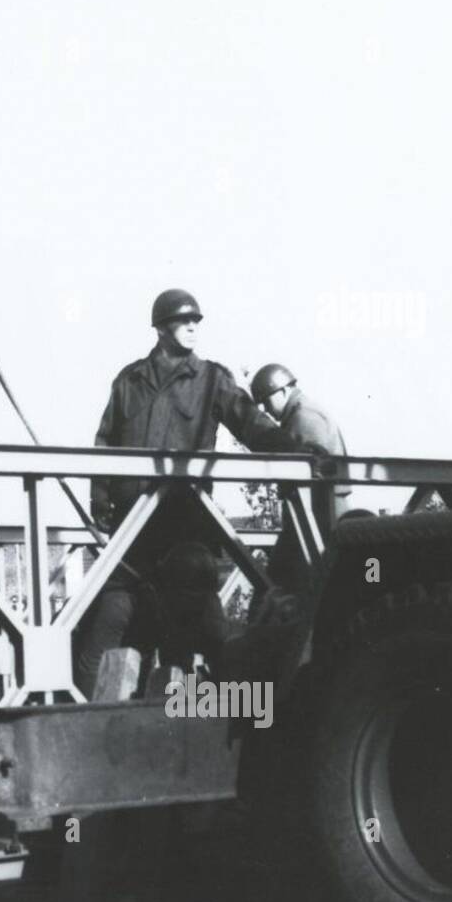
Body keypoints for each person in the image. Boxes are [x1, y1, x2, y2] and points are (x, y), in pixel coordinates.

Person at [77, 289, 311, 695]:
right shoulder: (129, 381)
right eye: (184, 321)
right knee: (104, 628)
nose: (192, 327)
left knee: (189, 635)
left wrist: (294, 450)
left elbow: (249, 422)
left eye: (196, 321)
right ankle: (73, 723)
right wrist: (99, 502)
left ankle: (222, 719)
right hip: (131, 535)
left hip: (184, 531)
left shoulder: (211, 380)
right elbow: (105, 442)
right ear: (161, 328)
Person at [250, 362, 351, 535]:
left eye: (266, 401)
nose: (265, 409)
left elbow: (316, 475)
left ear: (283, 391)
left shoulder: (304, 417)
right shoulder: (302, 412)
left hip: (319, 515)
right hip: (317, 512)